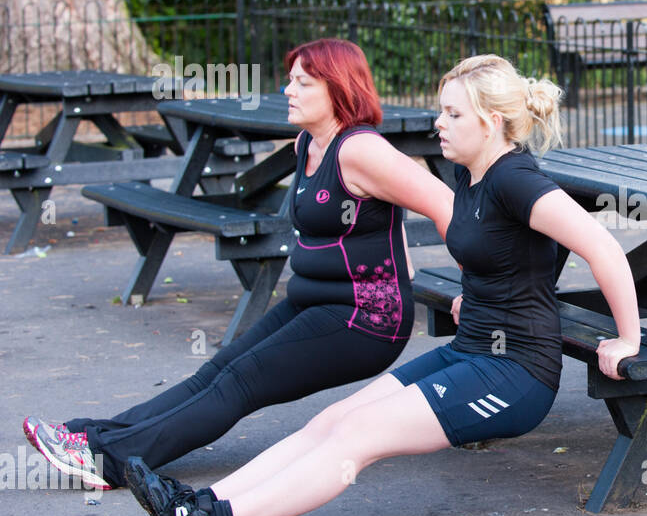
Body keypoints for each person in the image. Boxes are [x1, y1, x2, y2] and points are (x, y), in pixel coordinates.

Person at [125, 54, 642, 516]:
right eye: (441, 110)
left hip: (516, 375)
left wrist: (628, 340)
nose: (439, 123)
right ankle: (201, 503)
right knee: (334, 418)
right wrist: (477, 294)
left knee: (358, 436)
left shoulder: (516, 180)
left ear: (491, 123)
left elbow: (601, 247)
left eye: (453, 115)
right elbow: (510, 252)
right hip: (472, 349)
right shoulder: (471, 175)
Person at [23, 38, 455, 489]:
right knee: (214, 372)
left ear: (338, 89)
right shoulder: (307, 143)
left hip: (365, 320)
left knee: (240, 384)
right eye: (290, 80)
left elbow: (444, 203)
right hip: (314, 302)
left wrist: (472, 289)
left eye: (302, 83)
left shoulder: (360, 150)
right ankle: (93, 437)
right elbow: (384, 223)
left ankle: (107, 463)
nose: (288, 90)